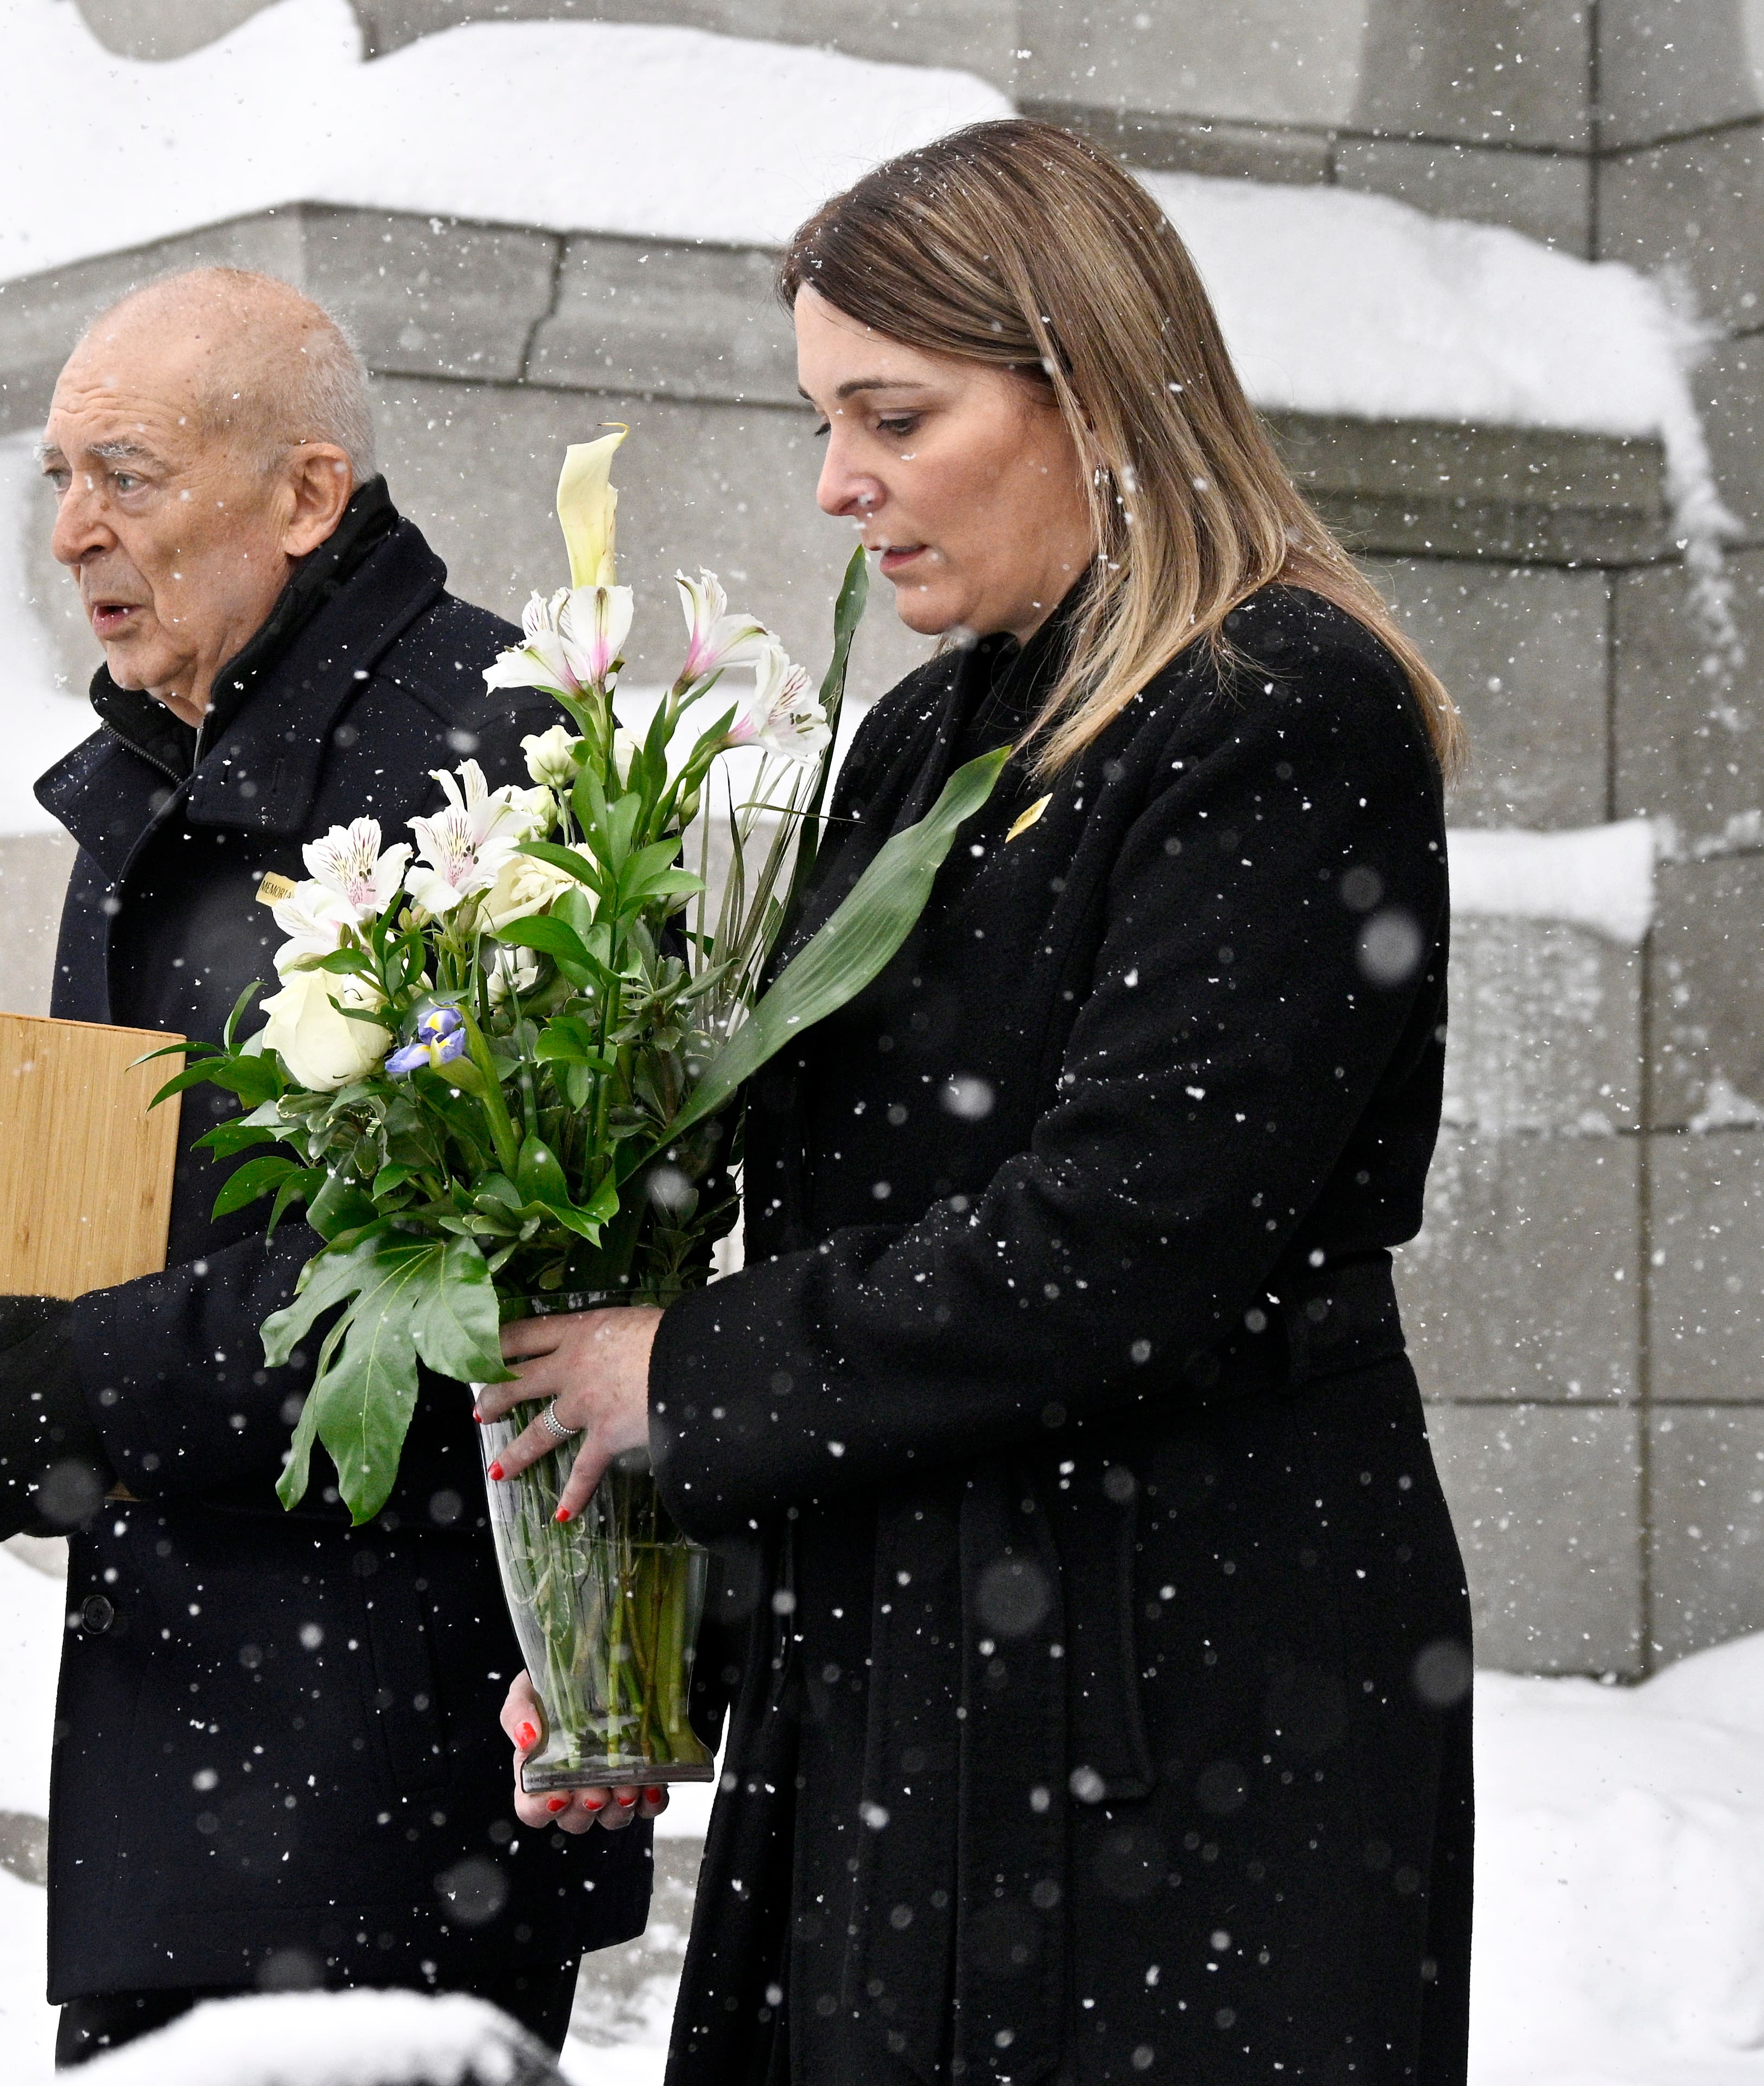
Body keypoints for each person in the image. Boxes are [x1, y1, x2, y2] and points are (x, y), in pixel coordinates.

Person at [478, 120, 1474, 2083]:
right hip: (916, 1697)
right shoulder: (932, 732)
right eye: (823, 420)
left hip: (1182, 1706)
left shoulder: (1280, 703)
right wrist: (671, 1649)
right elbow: (870, 1241)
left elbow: (1127, 1241)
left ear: (1093, 391)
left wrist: (680, 1367)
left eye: (895, 416)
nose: (839, 484)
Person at [0, 268, 651, 2064]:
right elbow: (147, 1238)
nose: (74, 534)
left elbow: (467, 1273)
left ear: (307, 495)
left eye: (128, 475)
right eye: (56, 479)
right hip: (187, 1731)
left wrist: (83, 1381)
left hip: (391, 1748)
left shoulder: (478, 754)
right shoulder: (167, 759)